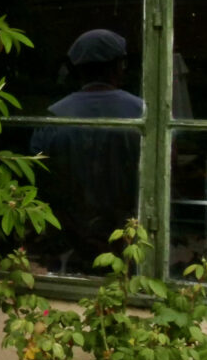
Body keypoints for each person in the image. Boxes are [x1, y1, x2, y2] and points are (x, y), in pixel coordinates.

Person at [29, 28, 144, 272]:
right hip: (130, 241)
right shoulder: (141, 113)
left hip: (70, 246)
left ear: (78, 69)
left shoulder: (52, 117)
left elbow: (38, 181)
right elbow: (168, 168)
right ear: (117, 67)